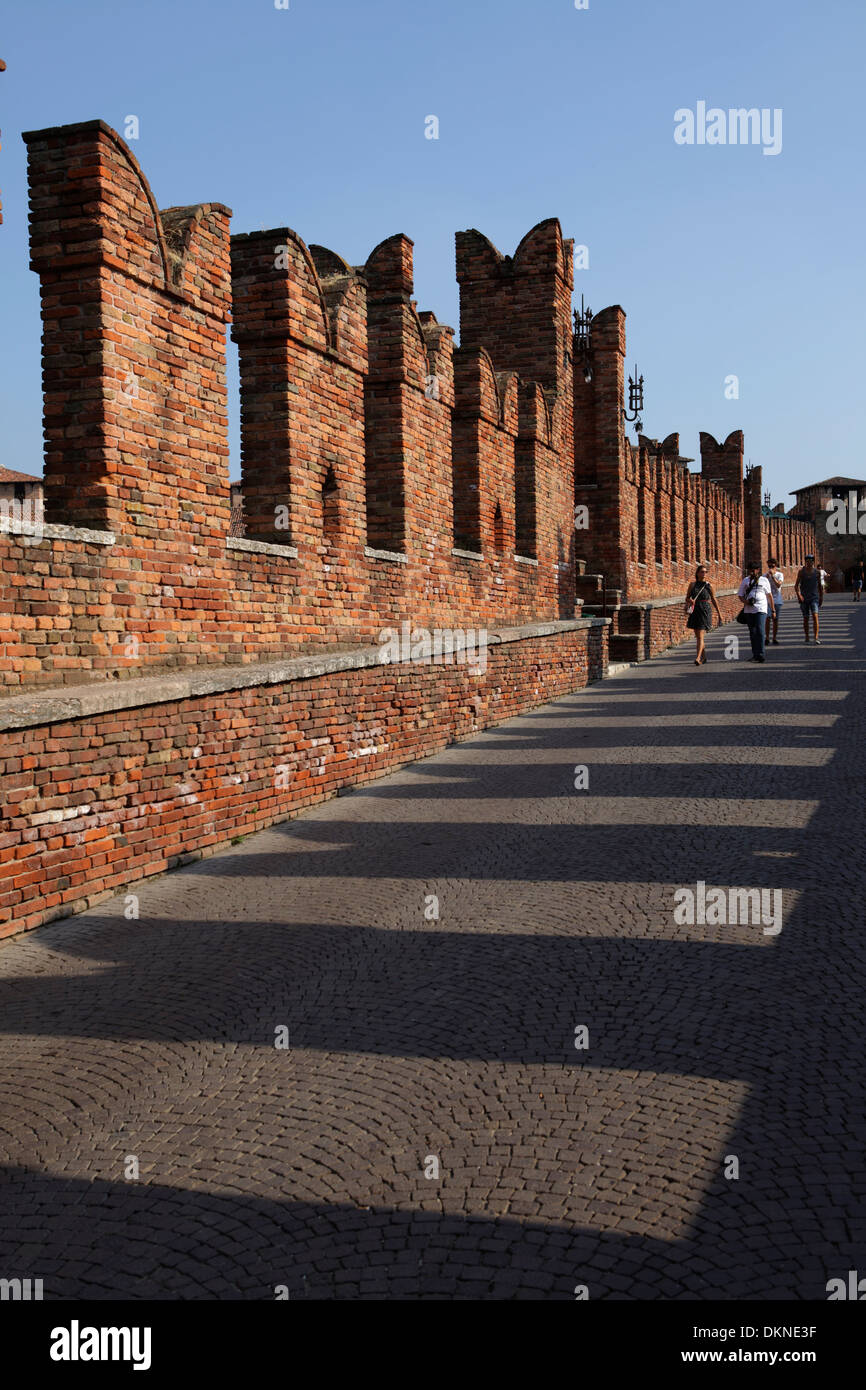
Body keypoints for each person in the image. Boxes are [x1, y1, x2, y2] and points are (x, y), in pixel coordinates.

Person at [683, 564, 723, 665]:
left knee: (700, 636)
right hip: (695, 610)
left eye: (705, 572)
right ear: (697, 573)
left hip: (705, 610)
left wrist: (719, 614)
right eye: (702, 572)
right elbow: (687, 598)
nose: (704, 574)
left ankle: (698, 658)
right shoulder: (692, 585)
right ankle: (704, 657)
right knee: (698, 636)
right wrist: (690, 600)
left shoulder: (709, 585)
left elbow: (714, 599)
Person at [737, 561, 775, 663]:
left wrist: (773, 609)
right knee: (752, 632)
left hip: (761, 609)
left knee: (760, 631)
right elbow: (740, 595)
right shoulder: (745, 580)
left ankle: (761, 654)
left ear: (758, 570)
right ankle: (755, 654)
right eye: (750, 570)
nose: (751, 572)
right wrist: (746, 602)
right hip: (749, 610)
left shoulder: (764, 580)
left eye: (753, 570)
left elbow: (769, 595)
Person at [795, 554, 823, 644]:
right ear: (805, 562)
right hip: (804, 598)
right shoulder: (801, 572)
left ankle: (816, 637)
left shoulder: (817, 572)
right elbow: (796, 586)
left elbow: (820, 586)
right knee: (806, 618)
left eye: (811, 561)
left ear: (813, 562)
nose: (809, 563)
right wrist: (799, 595)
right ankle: (807, 636)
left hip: (814, 597)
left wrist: (821, 597)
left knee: (815, 616)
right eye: (807, 561)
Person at [764, 556, 784, 645]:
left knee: (775, 619)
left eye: (772, 566)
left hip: (777, 600)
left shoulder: (780, 575)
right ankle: (767, 637)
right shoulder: (765, 576)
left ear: (775, 566)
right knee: (767, 618)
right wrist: (767, 577)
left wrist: (772, 577)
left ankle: (774, 638)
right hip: (767, 600)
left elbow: (778, 585)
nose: (770, 568)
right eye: (769, 566)